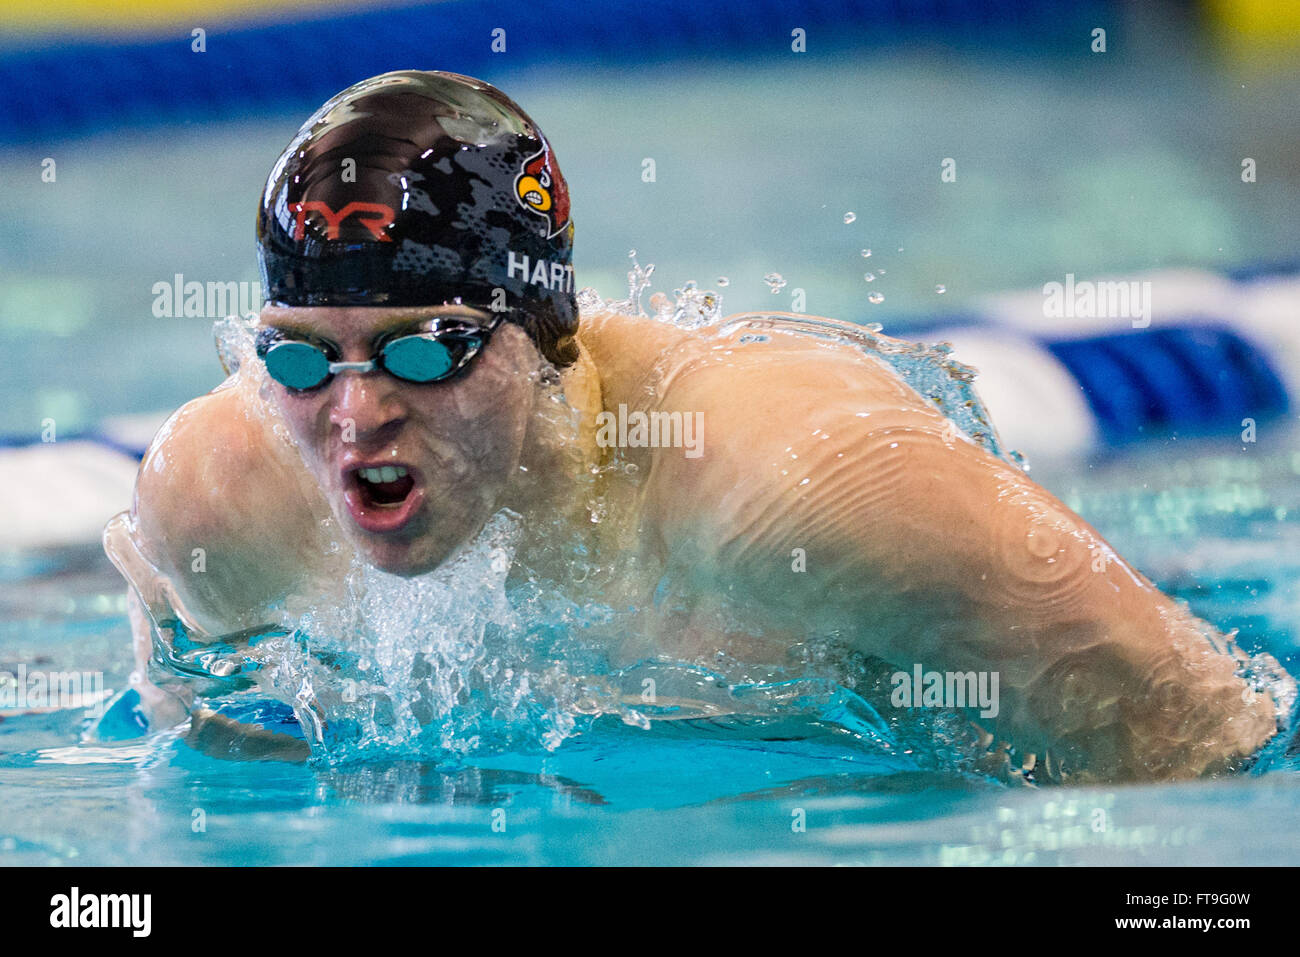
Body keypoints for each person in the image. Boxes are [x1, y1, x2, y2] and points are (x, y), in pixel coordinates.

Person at [103, 69, 1291, 782]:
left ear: (546, 331)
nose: (355, 416)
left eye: (427, 349)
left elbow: (1207, 756)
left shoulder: (800, 486)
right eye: (302, 360)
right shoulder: (221, 501)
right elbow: (228, 801)